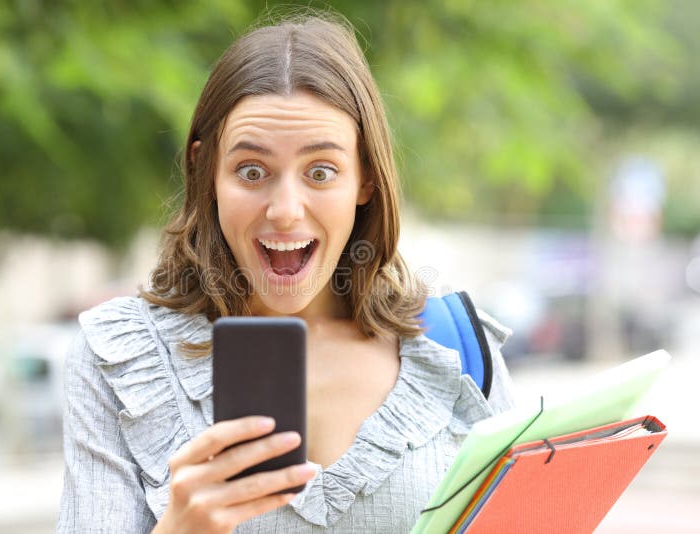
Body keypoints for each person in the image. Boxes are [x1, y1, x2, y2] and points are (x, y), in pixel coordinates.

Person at [57, 11, 516, 534]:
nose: (284, 210)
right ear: (206, 170)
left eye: (320, 172)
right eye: (252, 171)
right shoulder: (117, 359)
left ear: (365, 178)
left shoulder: (459, 352)